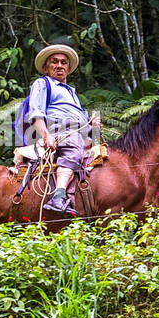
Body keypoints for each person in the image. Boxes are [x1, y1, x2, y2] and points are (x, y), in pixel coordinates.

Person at [25, 43, 91, 214]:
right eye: (54, 62)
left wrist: (91, 122)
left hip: (82, 132)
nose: (59, 66)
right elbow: (36, 113)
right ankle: (58, 196)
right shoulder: (43, 83)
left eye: (64, 62)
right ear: (46, 68)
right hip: (61, 131)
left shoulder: (72, 92)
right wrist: (46, 135)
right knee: (73, 149)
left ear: (68, 69)